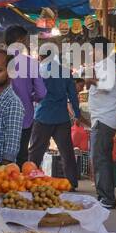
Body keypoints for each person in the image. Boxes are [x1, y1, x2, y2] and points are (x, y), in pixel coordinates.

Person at [28, 49, 81, 186]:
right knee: (67, 152)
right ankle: (72, 182)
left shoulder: (38, 71)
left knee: (35, 152)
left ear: (40, 56)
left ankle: (29, 180)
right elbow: (73, 95)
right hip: (61, 117)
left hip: (43, 116)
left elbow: (33, 93)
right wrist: (77, 114)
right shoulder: (65, 71)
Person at [87, 38, 116, 209]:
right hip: (101, 118)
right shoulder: (102, 66)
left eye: (92, 50)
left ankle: (107, 198)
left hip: (104, 119)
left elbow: (107, 85)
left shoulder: (107, 66)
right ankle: (104, 196)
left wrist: (91, 80)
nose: (90, 53)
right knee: (101, 158)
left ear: (99, 50)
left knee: (100, 158)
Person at [6, 26, 48, 166]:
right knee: (21, 155)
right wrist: (31, 97)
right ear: (20, 41)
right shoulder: (31, 63)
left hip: (0, 116)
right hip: (24, 116)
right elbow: (42, 93)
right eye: (24, 40)